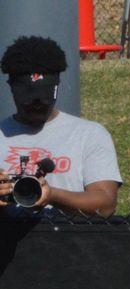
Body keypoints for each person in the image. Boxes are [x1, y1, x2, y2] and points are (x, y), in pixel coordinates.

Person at [0, 36, 121, 217]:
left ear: (56, 86)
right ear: (12, 88)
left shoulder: (89, 134)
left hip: (68, 235)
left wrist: (52, 195)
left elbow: (106, 205)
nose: (37, 105)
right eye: (28, 99)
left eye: (44, 98)